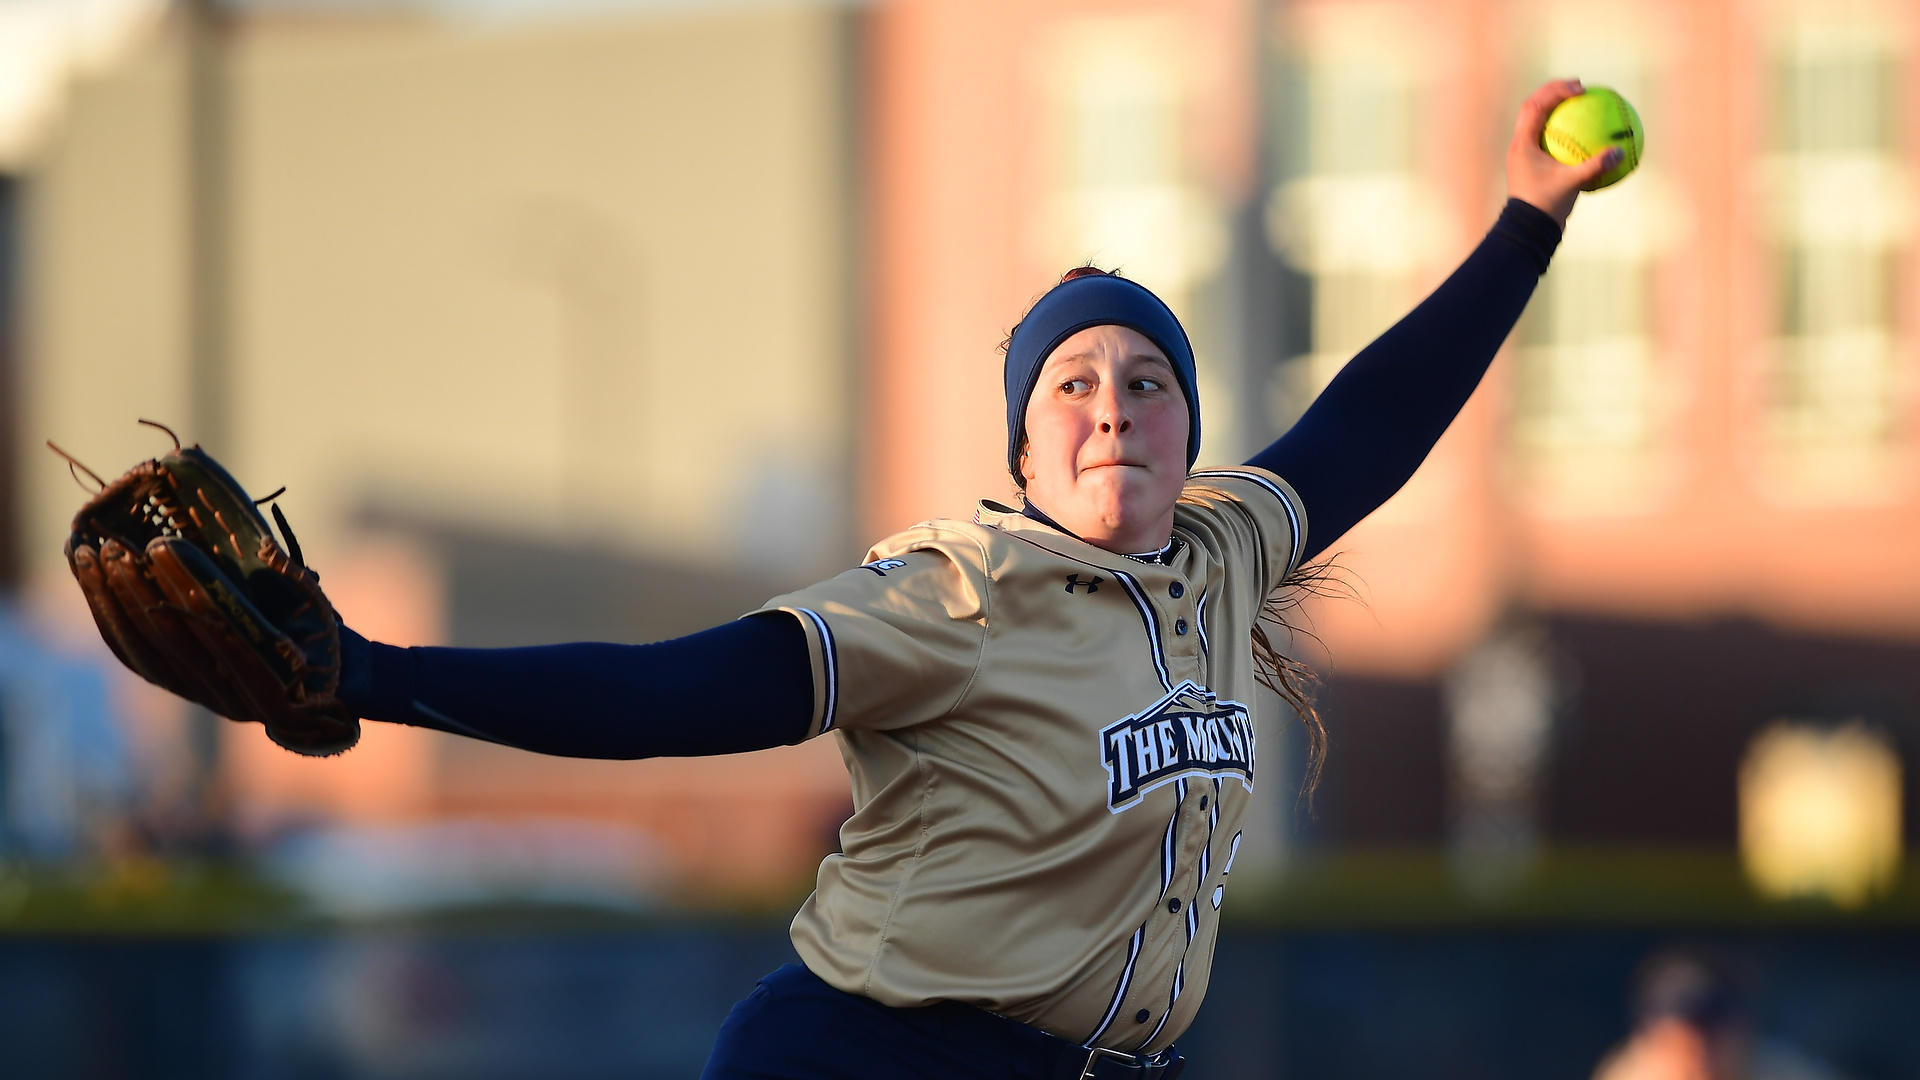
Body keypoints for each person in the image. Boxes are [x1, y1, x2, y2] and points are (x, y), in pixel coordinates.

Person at [331, 80, 1614, 1079]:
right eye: (1074, 385)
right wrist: (374, 677)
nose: (1113, 408)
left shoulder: (1224, 550)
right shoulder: (958, 596)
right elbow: (669, 695)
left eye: (1148, 382)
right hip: (871, 1062)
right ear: (1024, 455)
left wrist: (1528, 219)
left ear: (1186, 431)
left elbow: (1376, 418)